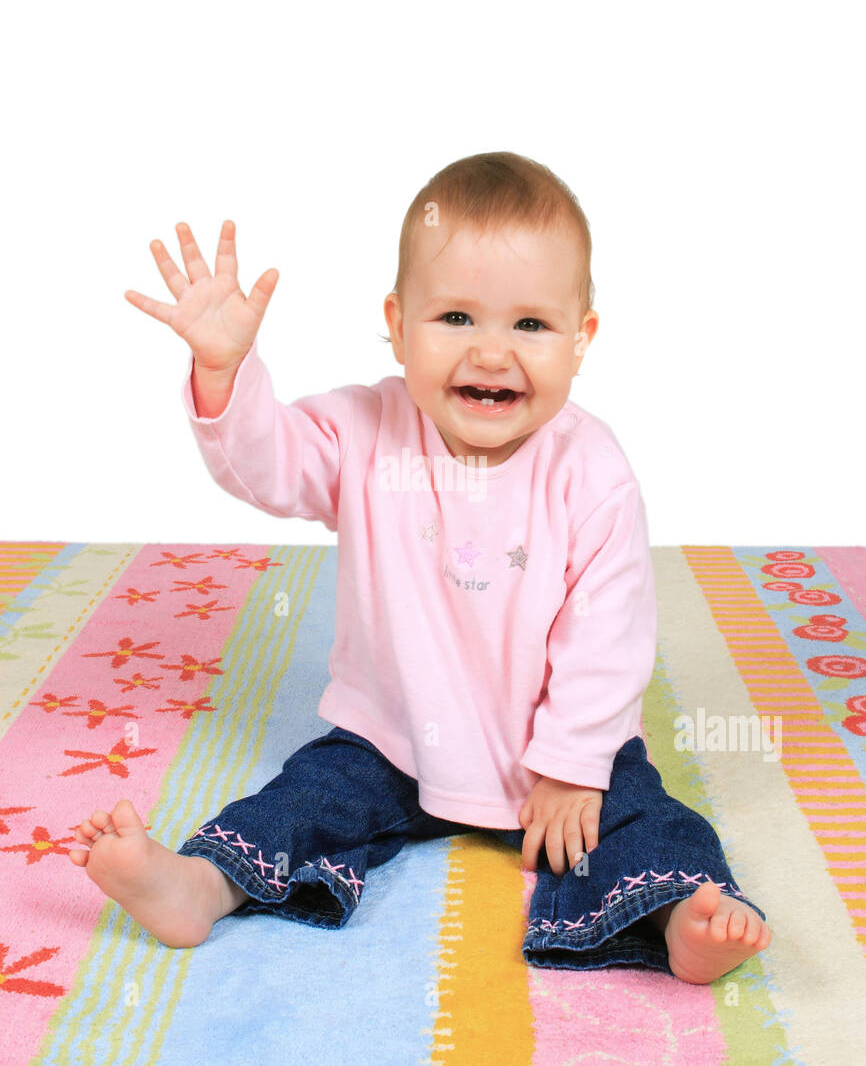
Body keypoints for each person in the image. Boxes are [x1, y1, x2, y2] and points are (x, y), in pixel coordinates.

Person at [70, 151, 771, 984]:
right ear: (399, 324)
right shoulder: (368, 430)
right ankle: (200, 884)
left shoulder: (592, 471)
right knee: (310, 797)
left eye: (531, 325)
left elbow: (608, 630)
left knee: (646, 818)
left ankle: (680, 919)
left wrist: (572, 764)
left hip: (558, 754)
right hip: (396, 736)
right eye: (457, 319)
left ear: (581, 339)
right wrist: (227, 373)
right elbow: (271, 465)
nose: (491, 354)